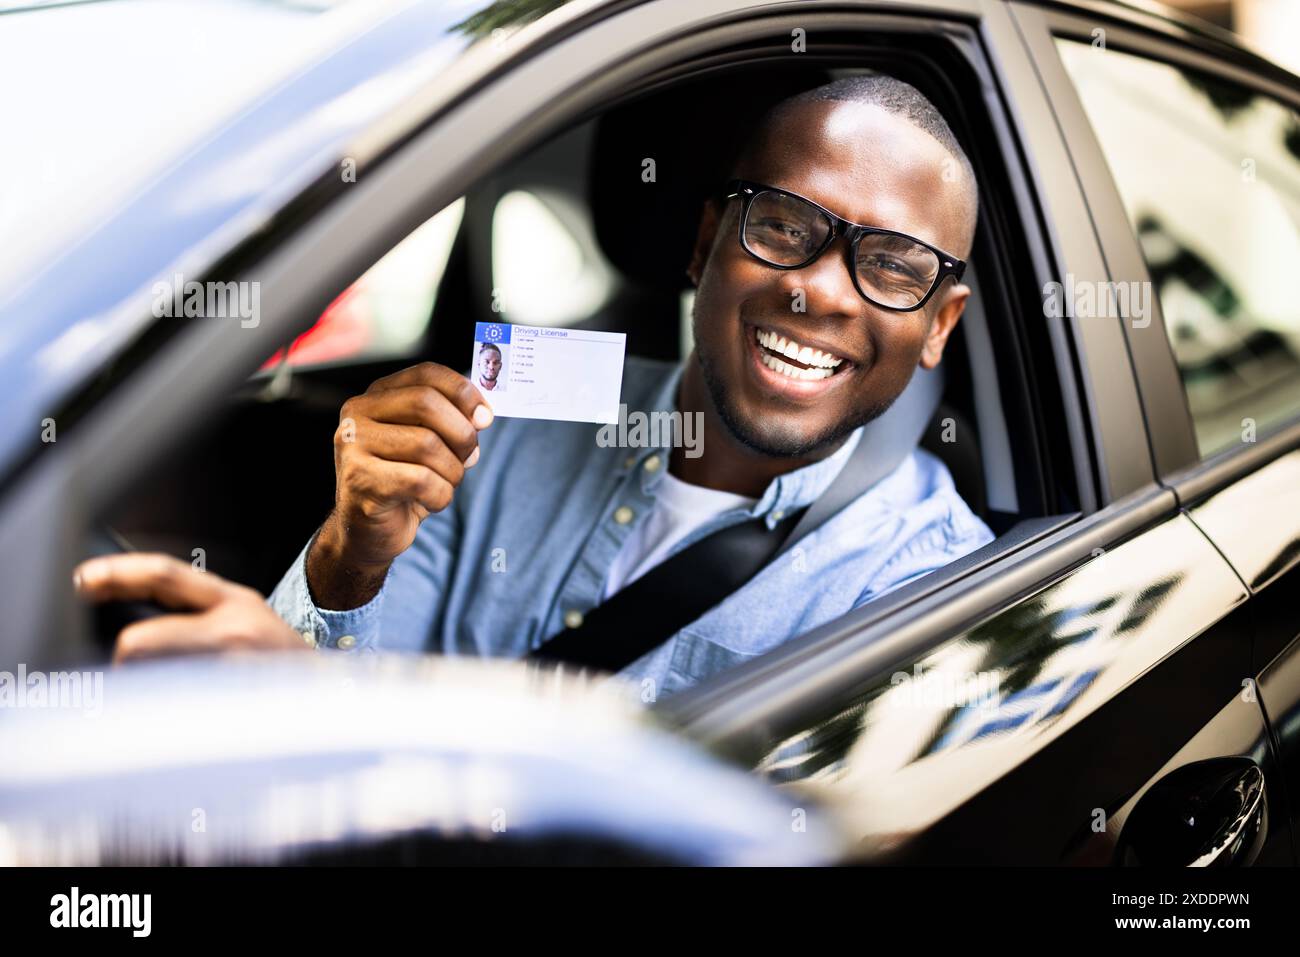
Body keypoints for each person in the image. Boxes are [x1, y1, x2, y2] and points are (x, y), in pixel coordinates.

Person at [77, 75, 994, 697]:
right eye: (785, 225)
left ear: (939, 325)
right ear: (705, 238)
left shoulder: (932, 584)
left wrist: (324, 722)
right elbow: (343, 694)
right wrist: (349, 557)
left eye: (894, 265)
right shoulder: (504, 414)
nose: (820, 287)